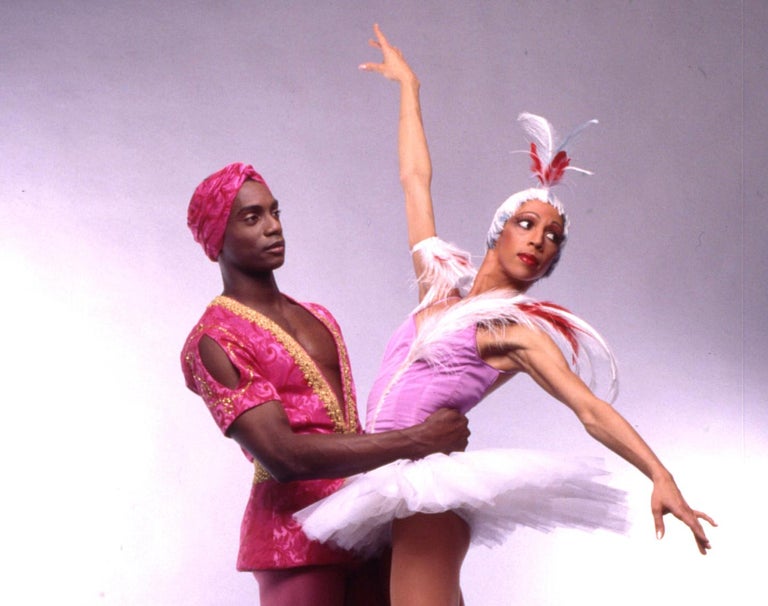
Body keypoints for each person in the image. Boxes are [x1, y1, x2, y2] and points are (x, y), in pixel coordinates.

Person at [295, 24, 716, 606]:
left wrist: (660, 473)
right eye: (527, 223)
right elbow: (415, 182)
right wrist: (409, 88)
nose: (539, 240)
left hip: (425, 490)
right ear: (498, 232)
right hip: (384, 479)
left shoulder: (511, 331)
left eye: (553, 238)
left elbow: (588, 408)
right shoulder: (438, 286)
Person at [180, 161, 470, 606]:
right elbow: (283, 457)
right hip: (292, 541)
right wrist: (418, 439)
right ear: (217, 236)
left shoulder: (318, 316)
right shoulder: (215, 339)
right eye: (252, 218)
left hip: (366, 525)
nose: (273, 227)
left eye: (275, 212)